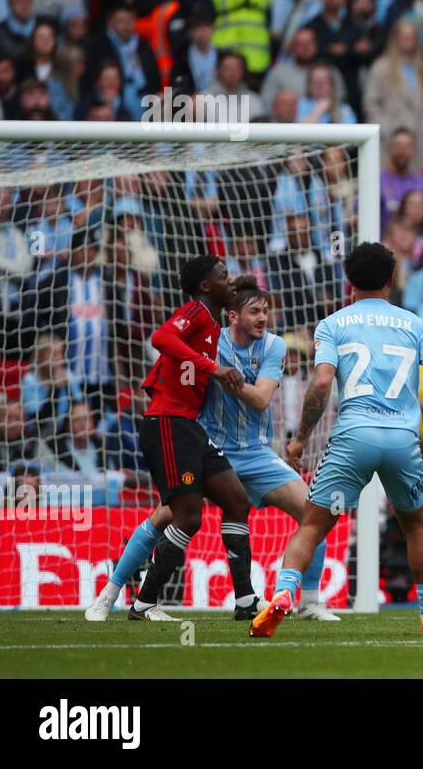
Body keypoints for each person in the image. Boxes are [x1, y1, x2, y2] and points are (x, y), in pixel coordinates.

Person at [250, 242, 423, 639]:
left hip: (353, 438)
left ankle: (283, 595)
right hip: (402, 439)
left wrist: (301, 439)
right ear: (391, 280)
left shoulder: (333, 324)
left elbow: (323, 382)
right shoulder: (415, 324)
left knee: (311, 526)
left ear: (349, 282)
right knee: (416, 525)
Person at [86, 277, 340, 622]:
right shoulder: (209, 344)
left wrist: (224, 376)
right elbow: (170, 365)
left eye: (266, 311)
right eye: (254, 311)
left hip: (256, 452)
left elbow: (262, 399)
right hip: (208, 447)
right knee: (165, 516)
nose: (263, 318)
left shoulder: (274, 346)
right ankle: (107, 595)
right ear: (232, 316)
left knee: (315, 513)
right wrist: (214, 371)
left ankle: (309, 602)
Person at [126, 256, 252, 622]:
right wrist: (214, 369)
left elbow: (229, 292)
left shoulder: (211, 318)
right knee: (188, 516)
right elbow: (161, 337)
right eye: (223, 277)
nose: (230, 282)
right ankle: (144, 603)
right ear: (205, 286)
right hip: (167, 421)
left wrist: (238, 285)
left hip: (189, 425)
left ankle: (245, 602)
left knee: (236, 499)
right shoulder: (196, 311)